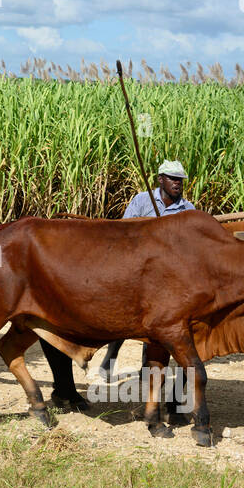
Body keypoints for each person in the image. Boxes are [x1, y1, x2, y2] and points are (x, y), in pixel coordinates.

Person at [94, 159, 196, 381]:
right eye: (173, 179)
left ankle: (146, 366)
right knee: (126, 316)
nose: (178, 183)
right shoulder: (142, 200)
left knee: (158, 321)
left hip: (169, 274)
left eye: (180, 180)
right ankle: (110, 357)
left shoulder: (188, 210)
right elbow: (124, 231)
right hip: (139, 269)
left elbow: (192, 245)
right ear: (161, 179)